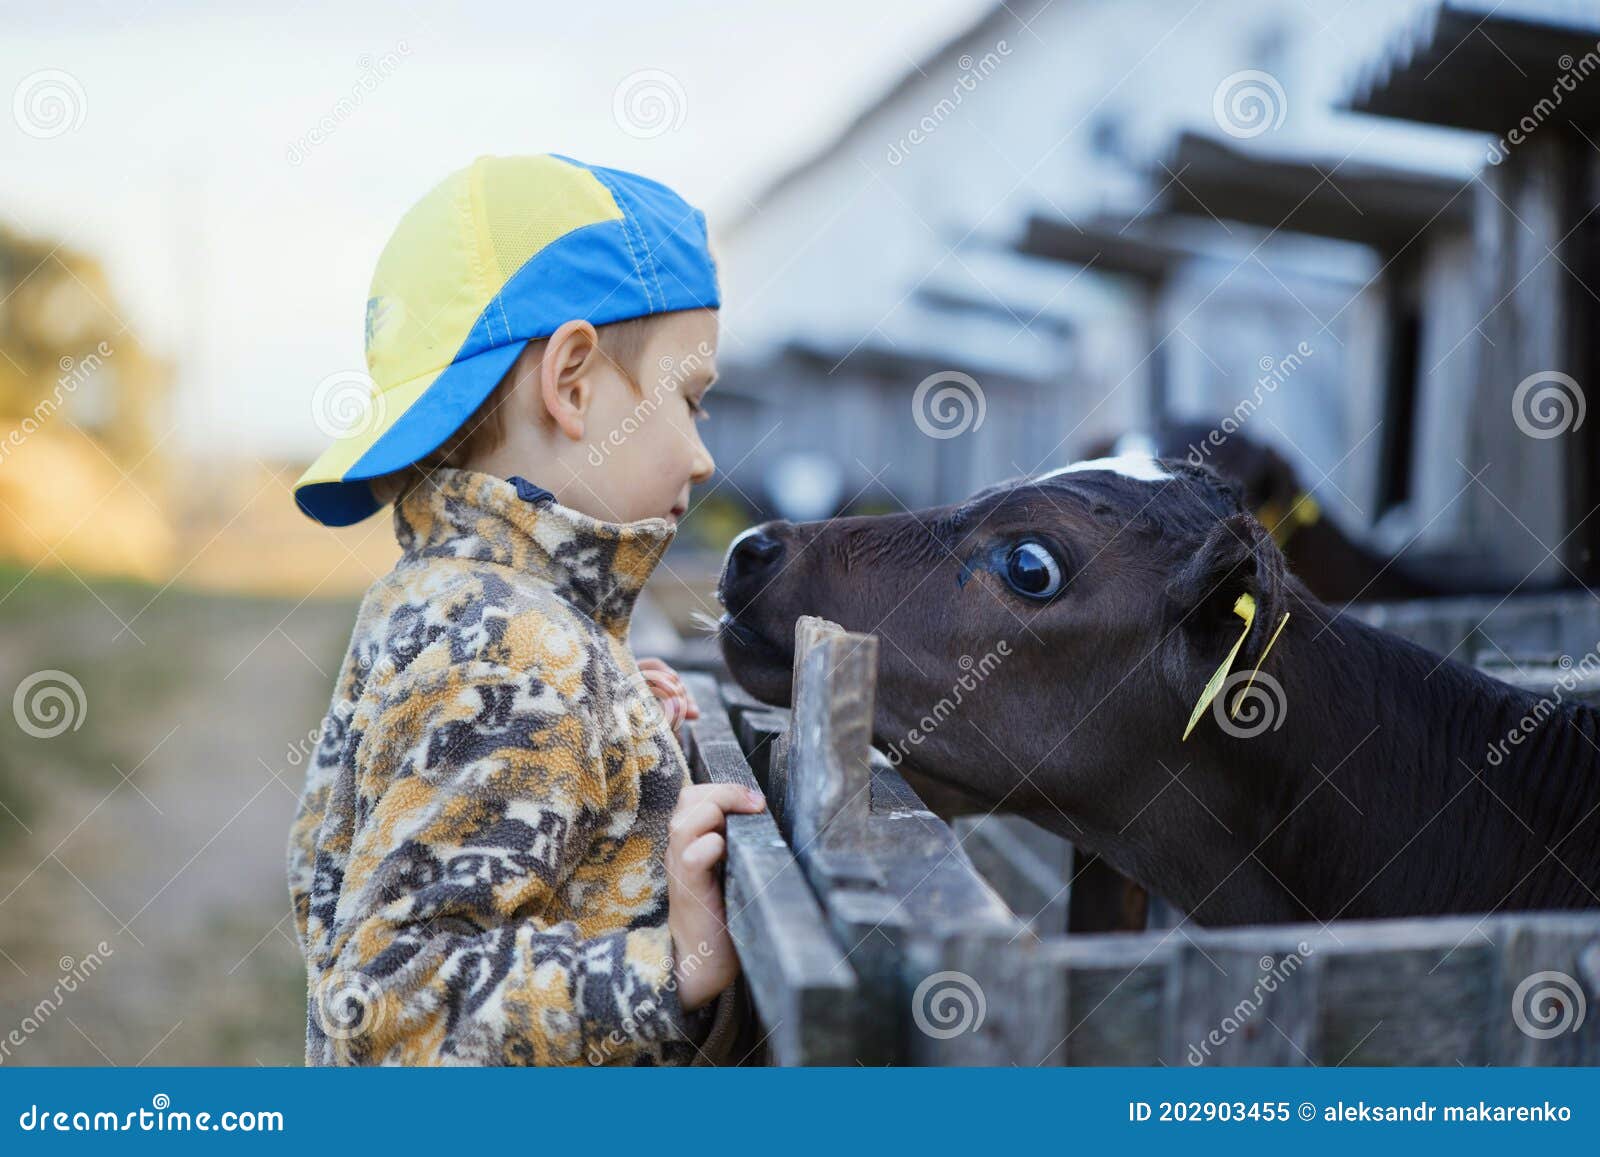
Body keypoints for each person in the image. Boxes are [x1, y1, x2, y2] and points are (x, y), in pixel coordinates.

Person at [285, 154, 762, 1065]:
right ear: (574, 380)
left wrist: (620, 737)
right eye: (691, 400)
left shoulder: (463, 604)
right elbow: (389, 1014)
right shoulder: (512, 646)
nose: (702, 456)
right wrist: (672, 967)